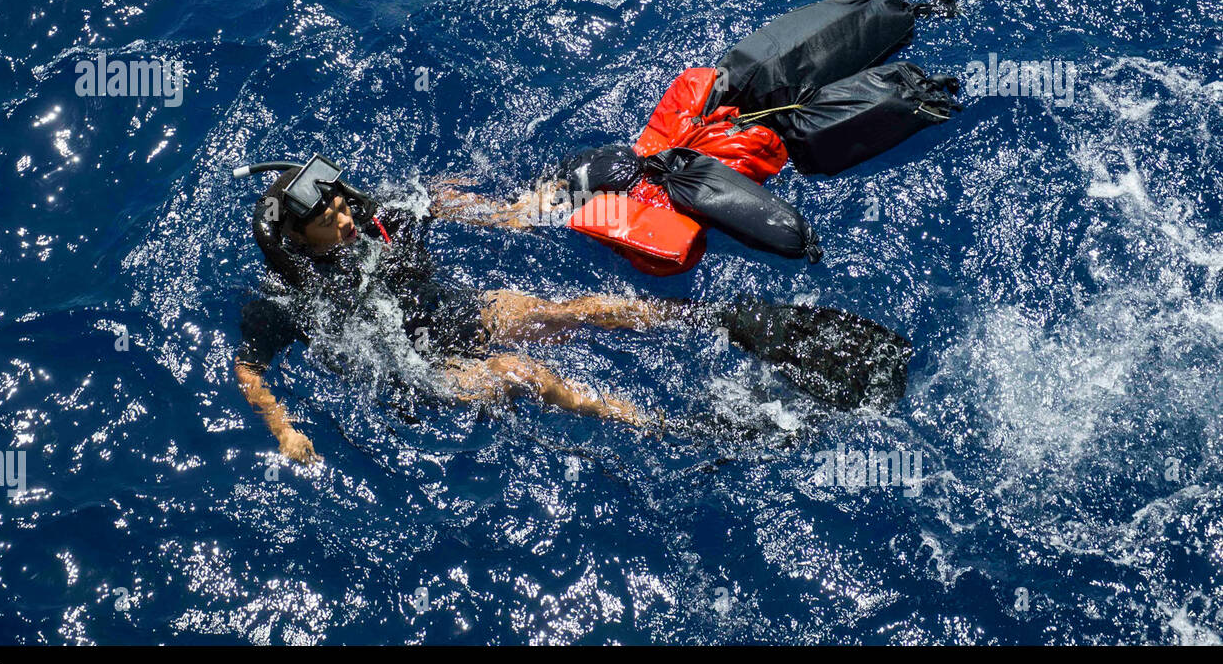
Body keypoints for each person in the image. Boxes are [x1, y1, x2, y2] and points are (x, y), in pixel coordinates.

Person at [233, 155, 910, 463]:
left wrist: (509, 212)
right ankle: (671, 429)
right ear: (299, 238)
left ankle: (717, 319)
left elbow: (433, 198)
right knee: (526, 375)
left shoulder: (375, 217)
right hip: (421, 368)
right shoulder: (290, 301)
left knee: (578, 309)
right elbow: (249, 369)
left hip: (456, 314)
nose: (345, 219)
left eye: (341, 204)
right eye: (327, 218)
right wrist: (283, 429)